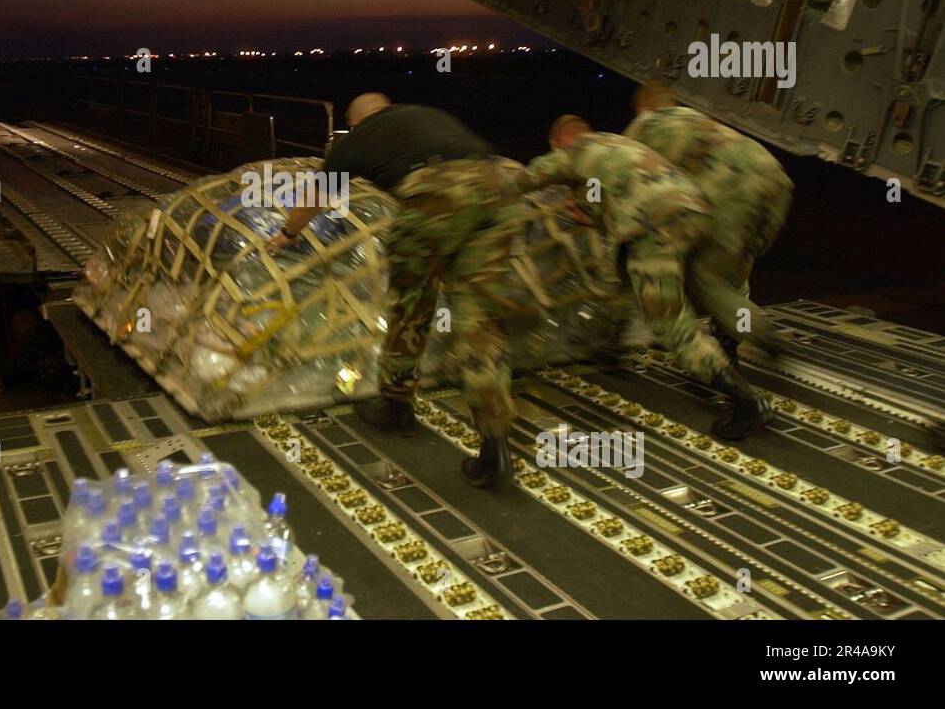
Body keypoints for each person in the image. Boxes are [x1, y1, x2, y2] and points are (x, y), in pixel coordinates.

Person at [268, 93, 525, 488]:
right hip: (501, 186)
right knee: (481, 319)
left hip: (437, 193)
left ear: (355, 123)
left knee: (411, 305)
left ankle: (397, 407)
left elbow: (316, 198)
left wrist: (288, 234)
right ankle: (496, 448)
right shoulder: (427, 112)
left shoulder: (356, 140)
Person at [507, 116, 771, 441]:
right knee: (621, 279)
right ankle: (612, 343)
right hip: (695, 212)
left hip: (655, 226)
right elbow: (616, 194)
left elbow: (525, 179)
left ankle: (746, 400)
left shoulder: (571, 155)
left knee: (671, 324)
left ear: (561, 143)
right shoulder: (617, 144)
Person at [623, 82, 793, 364]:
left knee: (707, 280)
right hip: (775, 180)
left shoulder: (644, 127)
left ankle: (764, 336)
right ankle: (731, 334)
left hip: (735, 195)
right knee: (734, 276)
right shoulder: (696, 118)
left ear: (642, 107)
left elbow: (629, 187)